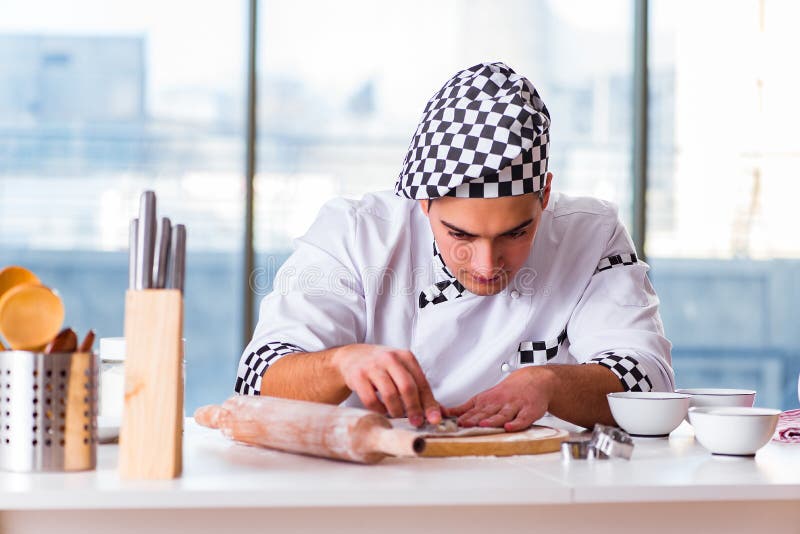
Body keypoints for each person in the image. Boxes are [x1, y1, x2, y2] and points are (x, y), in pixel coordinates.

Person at [235, 62, 674, 431]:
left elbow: (650, 380)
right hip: (376, 484)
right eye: (461, 235)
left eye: (516, 233)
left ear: (545, 195)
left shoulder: (591, 234)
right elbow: (256, 380)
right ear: (423, 202)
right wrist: (340, 364)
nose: (486, 264)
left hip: (537, 489)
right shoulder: (356, 234)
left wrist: (550, 383)